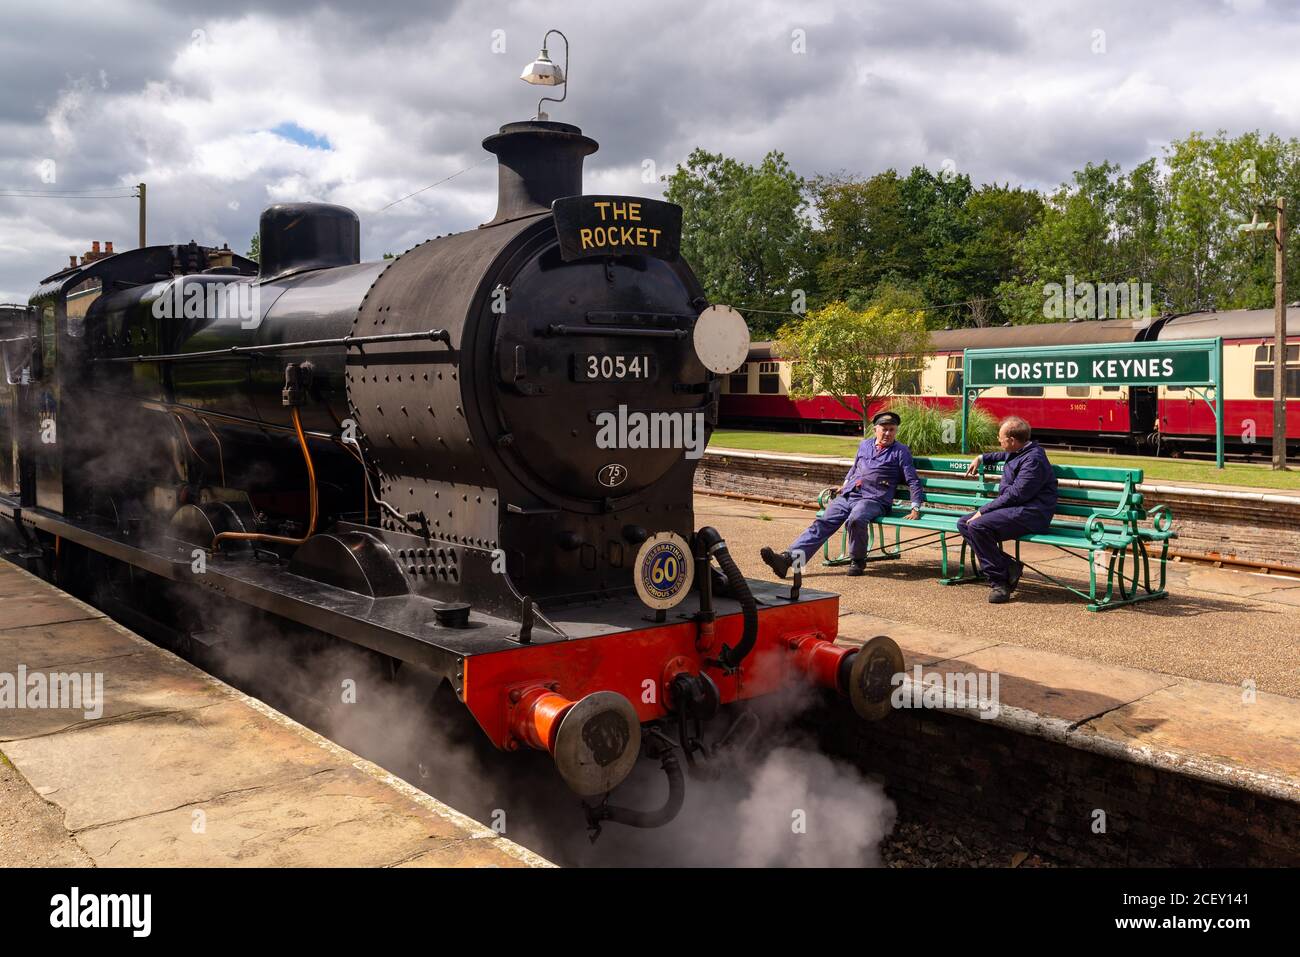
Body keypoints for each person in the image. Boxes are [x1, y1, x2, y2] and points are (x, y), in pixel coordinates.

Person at [761, 410, 925, 579]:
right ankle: (787, 561)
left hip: (874, 499)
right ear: (875, 429)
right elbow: (854, 469)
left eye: (892, 429)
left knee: (856, 519)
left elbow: (913, 480)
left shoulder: (901, 451)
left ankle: (858, 560)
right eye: (884, 429)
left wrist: (915, 507)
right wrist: (844, 486)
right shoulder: (865, 445)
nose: (888, 433)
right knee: (823, 522)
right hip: (850, 495)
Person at [957, 415, 1058, 604]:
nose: (998, 440)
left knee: (978, 526)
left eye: (1000, 437)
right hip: (1017, 510)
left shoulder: (1033, 459)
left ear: (1012, 440)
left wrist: (984, 510)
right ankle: (1008, 567)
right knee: (964, 523)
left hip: (1033, 513)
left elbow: (1017, 494)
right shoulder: (1019, 451)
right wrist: (981, 458)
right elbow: (1001, 455)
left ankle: (999, 582)